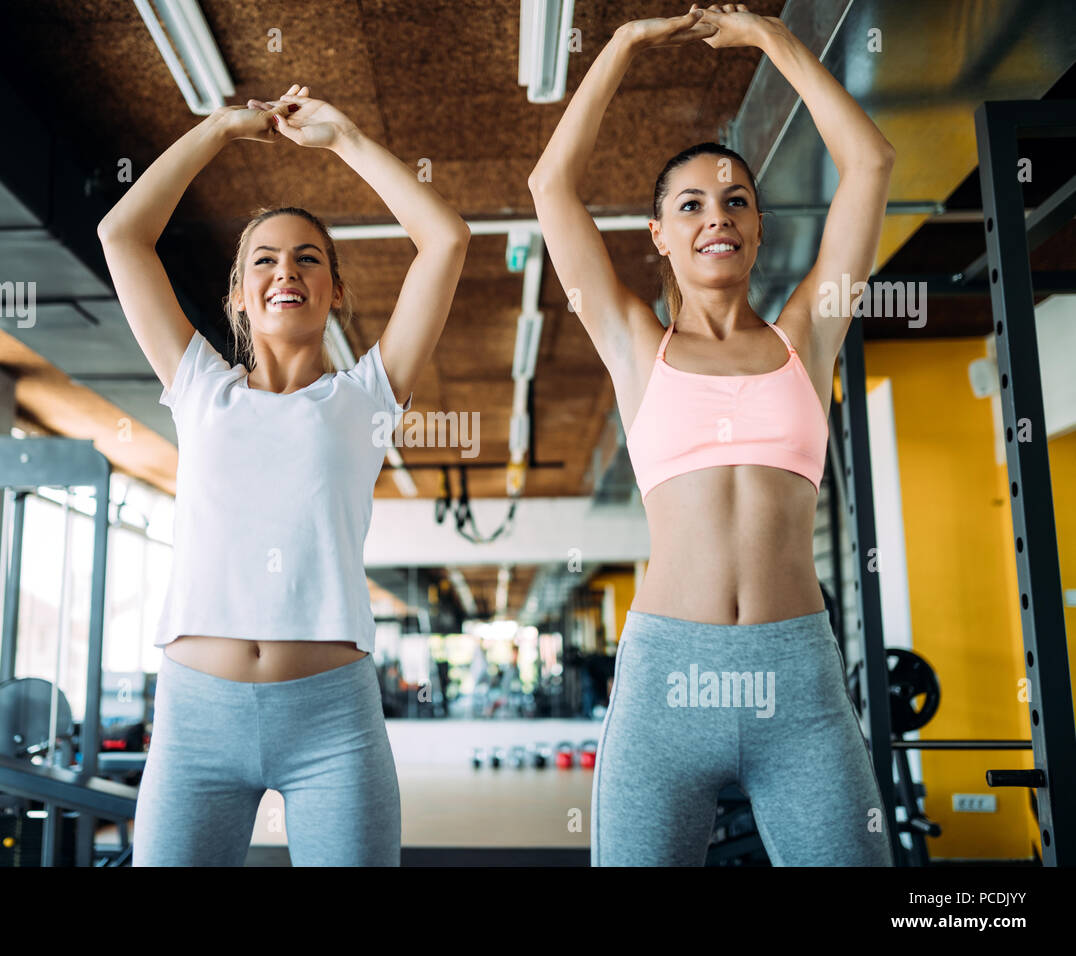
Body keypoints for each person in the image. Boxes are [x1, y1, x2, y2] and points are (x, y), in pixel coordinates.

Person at [529, 5, 896, 865]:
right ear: (659, 236)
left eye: (736, 200)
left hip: (797, 677)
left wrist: (775, 40)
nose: (716, 215)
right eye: (689, 204)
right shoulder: (632, 345)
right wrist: (621, 43)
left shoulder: (810, 334)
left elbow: (870, 161)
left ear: (759, 226)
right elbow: (552, 186)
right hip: (667, 682)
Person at [100, 84, 469, 865]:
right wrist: (221, 132)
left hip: (331, 719)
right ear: (237, 294)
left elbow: (445, 240)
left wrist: (347, 140)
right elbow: (122, 234)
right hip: (197, 714)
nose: (285, 271)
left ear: (336, 290)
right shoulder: (199, 386)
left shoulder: (367, 395)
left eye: (309, 258)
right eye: (262, 260)